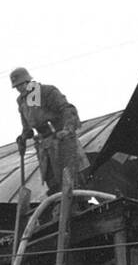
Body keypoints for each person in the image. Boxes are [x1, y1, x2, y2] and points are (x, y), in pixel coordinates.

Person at [11, 66, 89, 194]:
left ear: (28, 81)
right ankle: (58, 207)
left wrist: (67, 129)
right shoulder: (21, 101)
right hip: (45, 145)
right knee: (53, 183)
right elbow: (27, 128)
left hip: (61, 140)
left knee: (71, 180)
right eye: (17, 87)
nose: (20, 88)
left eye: (21, 84)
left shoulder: (47, 91)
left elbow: (67, 109)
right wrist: (23, 138)